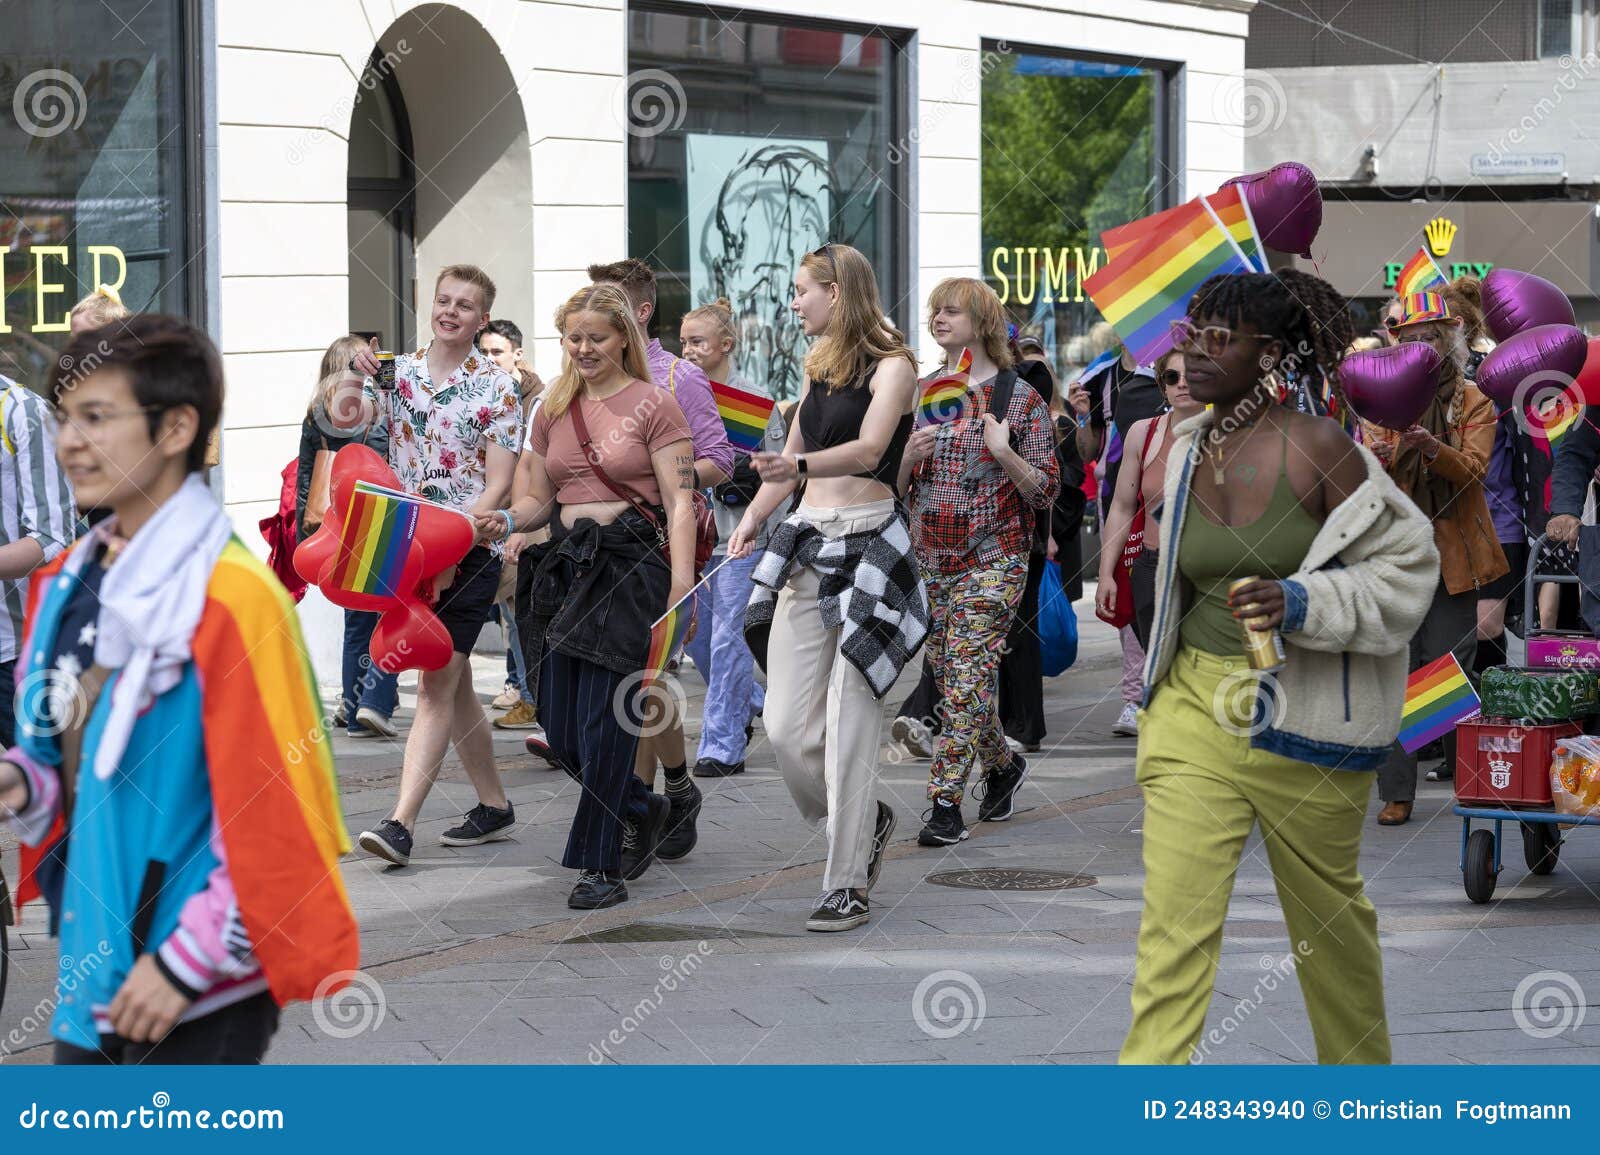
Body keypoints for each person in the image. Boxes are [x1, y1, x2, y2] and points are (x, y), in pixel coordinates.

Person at [0, 315, 357, 1063]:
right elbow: (48, 770)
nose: (68, 441)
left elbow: (289, 811)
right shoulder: (67, 583)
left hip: (200, 984)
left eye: (95, 418)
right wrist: (15, 781)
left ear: (176, 427)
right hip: (94, 968)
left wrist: (182, 963)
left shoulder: (237, 596)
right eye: (65, 417)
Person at [1121, 270, 1438, 1066]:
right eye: (1191, 330)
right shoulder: (1189, 445)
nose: (1193, 348)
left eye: (1218, 336)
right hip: (1195, 710)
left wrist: (1303, 602)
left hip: (1304, 726)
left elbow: (1408, 571)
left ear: (1271, 354)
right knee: (1172, 934)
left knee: (1328, 933)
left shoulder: (1322, 448)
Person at [730, 242, 924, 933]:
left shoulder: (894, 366)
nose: (793, 302)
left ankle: (845, 885)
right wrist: (753, 518)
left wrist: (798, 462)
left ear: (837, 293)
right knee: (783, 727)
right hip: (807, 539)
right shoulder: (816, 368)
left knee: (848, 722)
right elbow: (783, 468)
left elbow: (871, 451)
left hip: (872, 543)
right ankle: (865, 819)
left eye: (801, 290)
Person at [494, 284, 696, 909]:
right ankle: (647, 805)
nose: (583, 348)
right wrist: (504, 523)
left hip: (632, 568)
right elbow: (539, 499)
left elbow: (682, 499)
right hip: (561, 568)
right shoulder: (552, 407)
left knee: (609, 720)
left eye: (596, 337)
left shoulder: (655, 404)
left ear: (623, 340)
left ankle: (599, 868)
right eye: (573, 337)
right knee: (561, 727)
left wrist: (683, 582)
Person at [342, 265, 524, 866]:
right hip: (403, 546)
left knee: (434, 683)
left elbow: (498, 485)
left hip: (468, 549)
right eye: (443, 301)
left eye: (464, 305)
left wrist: (451, 544)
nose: (450, 312)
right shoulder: (398, 372)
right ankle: (495, 805)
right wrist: (356, 375)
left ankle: (400, 824)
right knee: (457, 681)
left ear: (482, 318)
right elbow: (343, 423)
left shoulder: (498, 388)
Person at [898, 278, 1058, 847]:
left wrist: (1003, 451)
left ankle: (944, 804)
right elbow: (895, 492)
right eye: (933, 309)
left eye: (951, 310)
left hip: (996, 557)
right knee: (955, 677)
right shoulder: (921, 392)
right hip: (932, 559)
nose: (938, 318)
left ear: (983, 320)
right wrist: (905, 460)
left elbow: (1045, 493)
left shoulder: (1019, 397)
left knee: (963, 676)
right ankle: (1002, 766)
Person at [586, 259, 733, 861]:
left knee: (642, 678)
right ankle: (678, 785)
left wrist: (658, 481)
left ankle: (635, 810)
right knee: (631, 682)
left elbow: (722, 459)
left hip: (657, 546)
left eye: (609, 307)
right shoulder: (582, 378)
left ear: (640, 314)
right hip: (594, 553)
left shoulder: (680, 379)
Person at [1363, 287, 1507, 823]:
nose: (1420, 347)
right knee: (1396, 671)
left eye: (1431, 338)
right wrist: (1387, 450)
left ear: (1449, 343)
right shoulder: (1379, 400)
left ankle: (1461, 768)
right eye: (1411, 339)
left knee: (1446, 670)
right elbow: (1368, 475)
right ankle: (1397, 792)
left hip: (1455, 556)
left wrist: (1431, 446)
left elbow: (1473, 470)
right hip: (1393, 555)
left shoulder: (1475, 400)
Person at [678, 298, 785, 797]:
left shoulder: (754, 401)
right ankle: (747, 700)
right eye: (683, 341)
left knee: (728, 640)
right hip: (690, 540)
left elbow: (780, 472)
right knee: (691, 634)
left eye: (698, 341)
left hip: (742, 537)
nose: (689, 350)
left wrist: (763, 525)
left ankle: (721, 745)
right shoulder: (674, 397)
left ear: (726, 345)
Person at [295, 335, 401, 738]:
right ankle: (375, 701)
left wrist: (309, 529)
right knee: (389, 612)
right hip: (378, 518)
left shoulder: (316, 412)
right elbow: (393, 458)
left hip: (336, 526)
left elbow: (306, 474)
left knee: (356, 618)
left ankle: (355, 702)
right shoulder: (374, 407)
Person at [1066, 323, 1161, 736]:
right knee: (1126, 595)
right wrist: (1083, 416)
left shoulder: (1171, 371)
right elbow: (1088, 451)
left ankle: (1156, 694)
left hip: (1161, 496)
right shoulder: (1101, 378)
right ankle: (1133, 698)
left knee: (1157, 592)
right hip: (1117, 500)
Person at [476, 319, 551, 749]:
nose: (490, 361)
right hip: (500, 518)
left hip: (526, 519)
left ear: (517, 354)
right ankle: (527, 693)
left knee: (525, 613)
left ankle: (535, 700)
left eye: (497, 353)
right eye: (484, 353)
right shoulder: (484, 392)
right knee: (512, 615)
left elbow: (527, 466)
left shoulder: (536, 399)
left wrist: (519, 522)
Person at [1097, 349, 1203, 651]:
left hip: (1204, 571)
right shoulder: (1143, 433)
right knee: (1156, 674)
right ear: (1163, 386)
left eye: (1191, 375)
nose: (1182, 383)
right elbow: (1121, 507)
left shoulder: (1226, 433)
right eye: (1172, 377)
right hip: (1150, 568)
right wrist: (1106, 573)